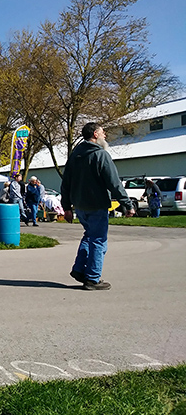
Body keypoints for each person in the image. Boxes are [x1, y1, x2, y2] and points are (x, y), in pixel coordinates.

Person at [60, 122, 135, 290]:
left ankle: (79, 269)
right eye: (102, 132)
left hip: (80, 205)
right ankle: (93, 278)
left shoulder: (74, 156)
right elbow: (114, 183)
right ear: (95, 134)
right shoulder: (101, 155)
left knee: (89, 236)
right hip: (96, 204)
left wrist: (66, 207)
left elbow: (66, 183)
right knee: (99, 240)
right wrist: (127, 204)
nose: (105, 135)